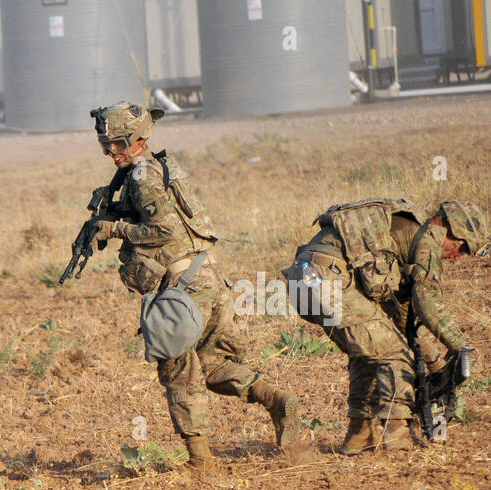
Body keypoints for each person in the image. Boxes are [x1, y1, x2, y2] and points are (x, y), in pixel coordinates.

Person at [87, 102, 300, 471]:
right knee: (215, 365)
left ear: (138, 140)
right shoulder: (160, 167)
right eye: (106, 145)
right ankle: (275, 399)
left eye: (118, 144)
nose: (111, 152)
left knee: (178, 371)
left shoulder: (143, 177)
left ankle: (201, 463)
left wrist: (114, 229)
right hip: (210, 278)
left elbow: (164, 230)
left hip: (183, 289)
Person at [285, 198, 487, 453]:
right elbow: (427, 303)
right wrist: (459, 347)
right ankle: (397, 435)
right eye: (463, 249)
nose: (458, 258)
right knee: (394, 352)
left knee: (370, 350)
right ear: (452, 233)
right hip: (326, 278)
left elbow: (403, 317)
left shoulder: (396, 237)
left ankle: (359, 433)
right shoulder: (427, 242)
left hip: (302, 279)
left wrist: (435, 361)